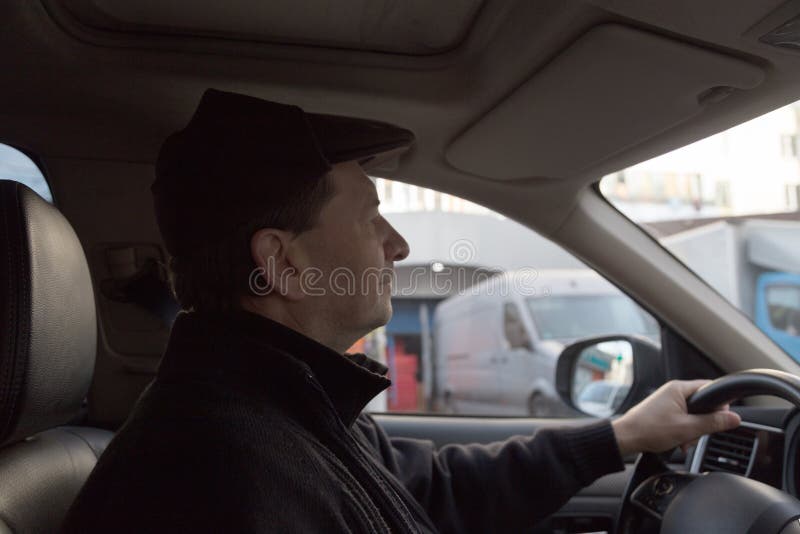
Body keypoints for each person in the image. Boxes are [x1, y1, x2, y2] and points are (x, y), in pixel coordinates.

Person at [62, 89, 741, 533]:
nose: (398, 245)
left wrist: (621, 435)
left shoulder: (291, 406)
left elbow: (438, 490)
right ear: (280, 262)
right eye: (370, 219)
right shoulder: (215, 478)